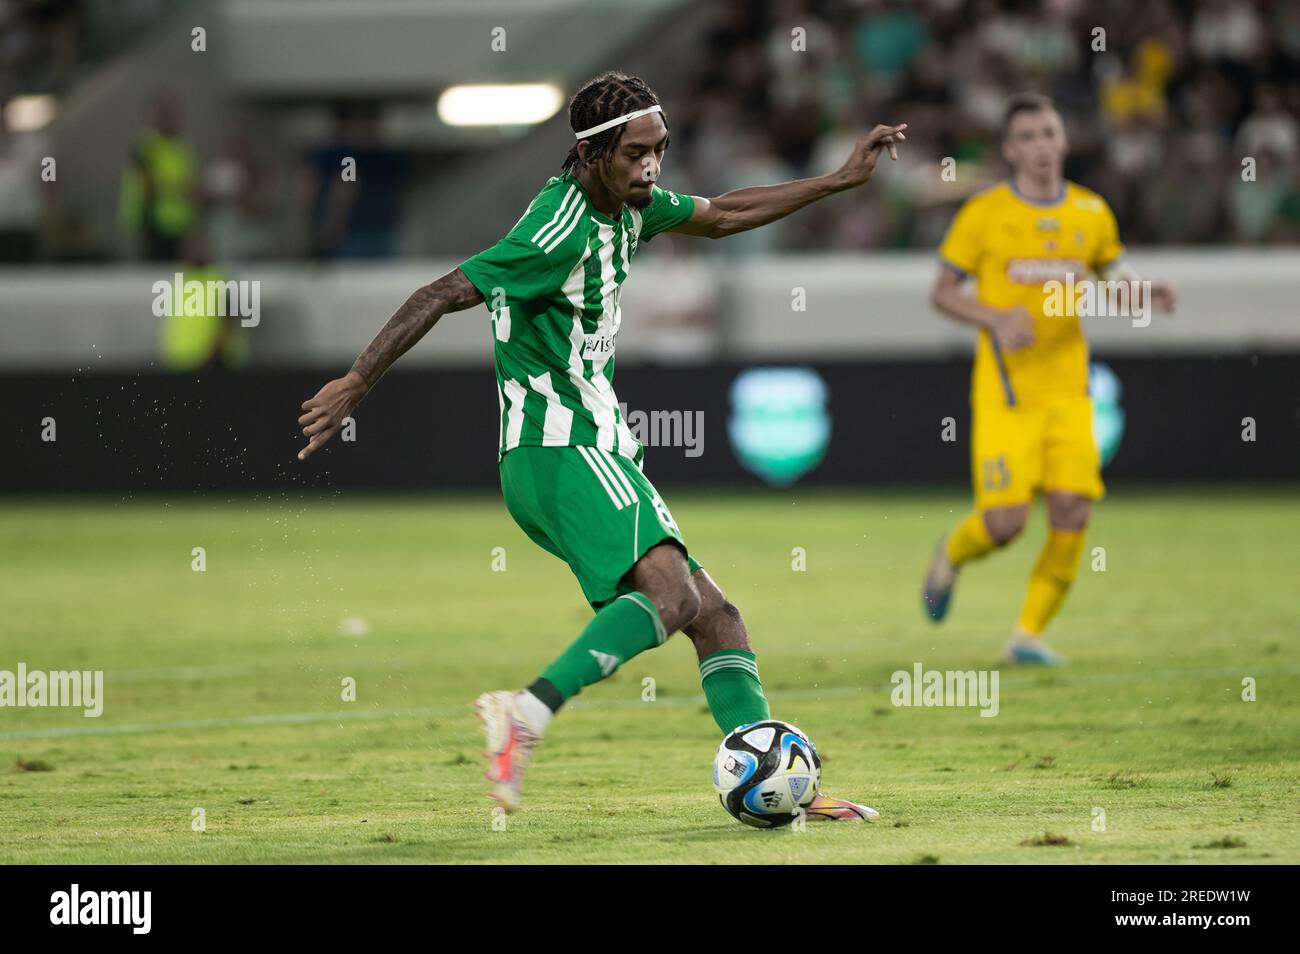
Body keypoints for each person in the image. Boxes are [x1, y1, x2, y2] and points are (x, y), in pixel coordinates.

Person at [297, 71, 905, 817]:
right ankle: (527, 712)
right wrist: (359, 380)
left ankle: (777, 783)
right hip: (558, 444)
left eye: (661, 150)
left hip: (593, 447)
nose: (652, 167)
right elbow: (443, 292)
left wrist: (841, 180)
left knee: (717, 618)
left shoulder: (631, 208)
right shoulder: (558, 225)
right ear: (593, 155)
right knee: (672, 594)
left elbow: (723, 213)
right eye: (637, 153)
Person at [922, 92, 1176, 664]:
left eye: (1049, 133)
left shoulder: (1090, 211)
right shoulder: (984, 214)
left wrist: (1146, 291)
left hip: (1069, 391)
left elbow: (1114, 274)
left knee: (1073, 512)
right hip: (1007, 395)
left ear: (1063, 141)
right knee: (1007, 523)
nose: (1041, 146)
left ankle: (1027, 636)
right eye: (1028, 137)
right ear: (1011, 150)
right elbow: (941, 292)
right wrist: (995, 317)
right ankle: (951, 554)